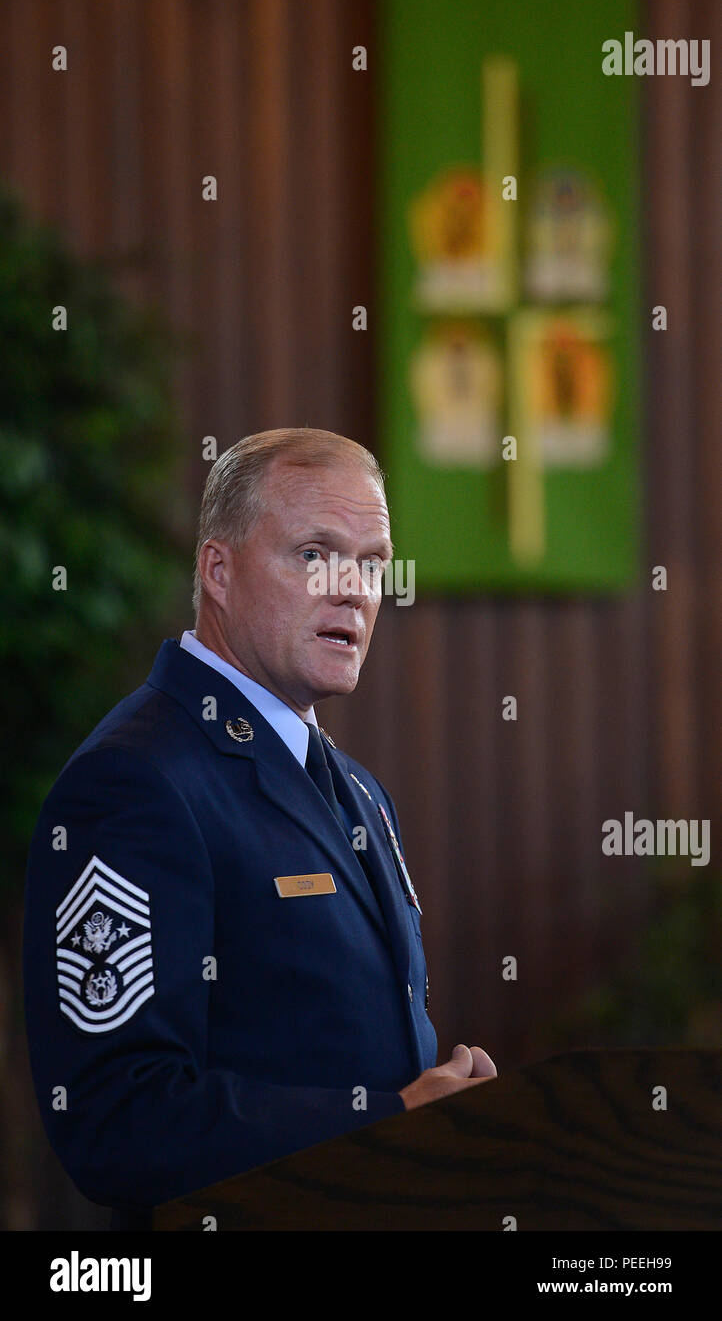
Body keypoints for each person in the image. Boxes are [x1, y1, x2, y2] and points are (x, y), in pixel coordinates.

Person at [23, 428, 496, 1228]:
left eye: (373, 563)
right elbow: (117, 1120)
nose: (352, 590)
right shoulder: (135, 782)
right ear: (218, 570)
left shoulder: (357, 790)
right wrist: (392, 1118)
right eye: (315, 554)